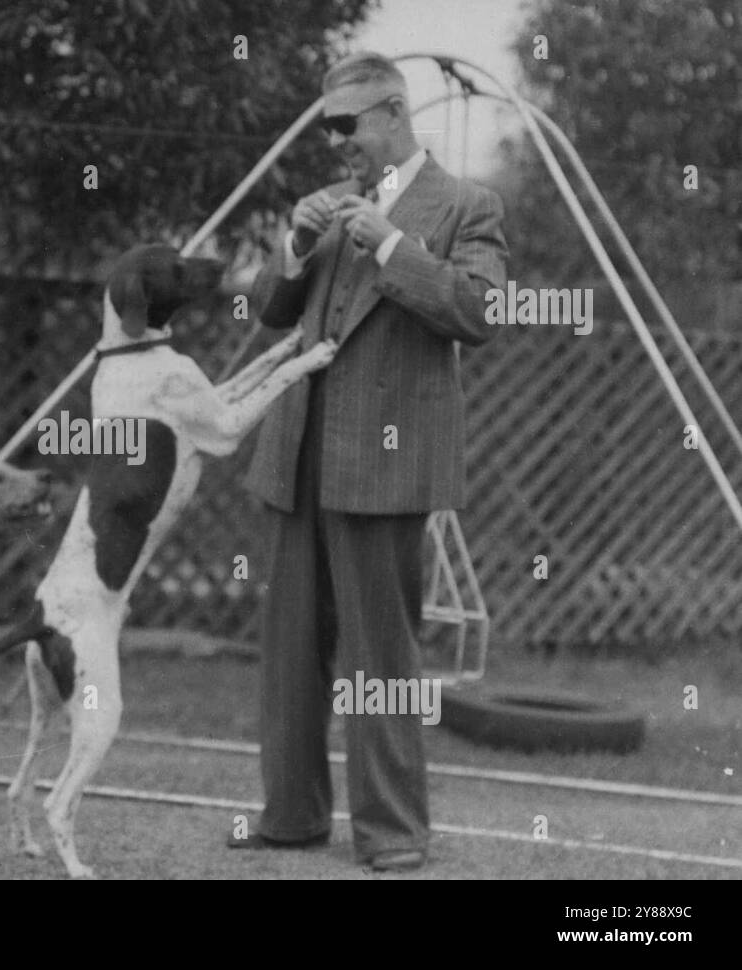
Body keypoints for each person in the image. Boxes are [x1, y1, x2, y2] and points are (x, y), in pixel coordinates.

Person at [230, 51, 508, 871]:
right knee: (288, 654)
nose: (338, 142)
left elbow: (481, 309)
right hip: (297, 456)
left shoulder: (467, 205)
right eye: (329, 129)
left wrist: (391, 247)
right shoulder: (327, 208)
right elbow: (265, 312)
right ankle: (291, 818)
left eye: (348, 125)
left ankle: (394, 834)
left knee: (381, 660)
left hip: (386, 470)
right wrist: (292, 244)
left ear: (393, 111)